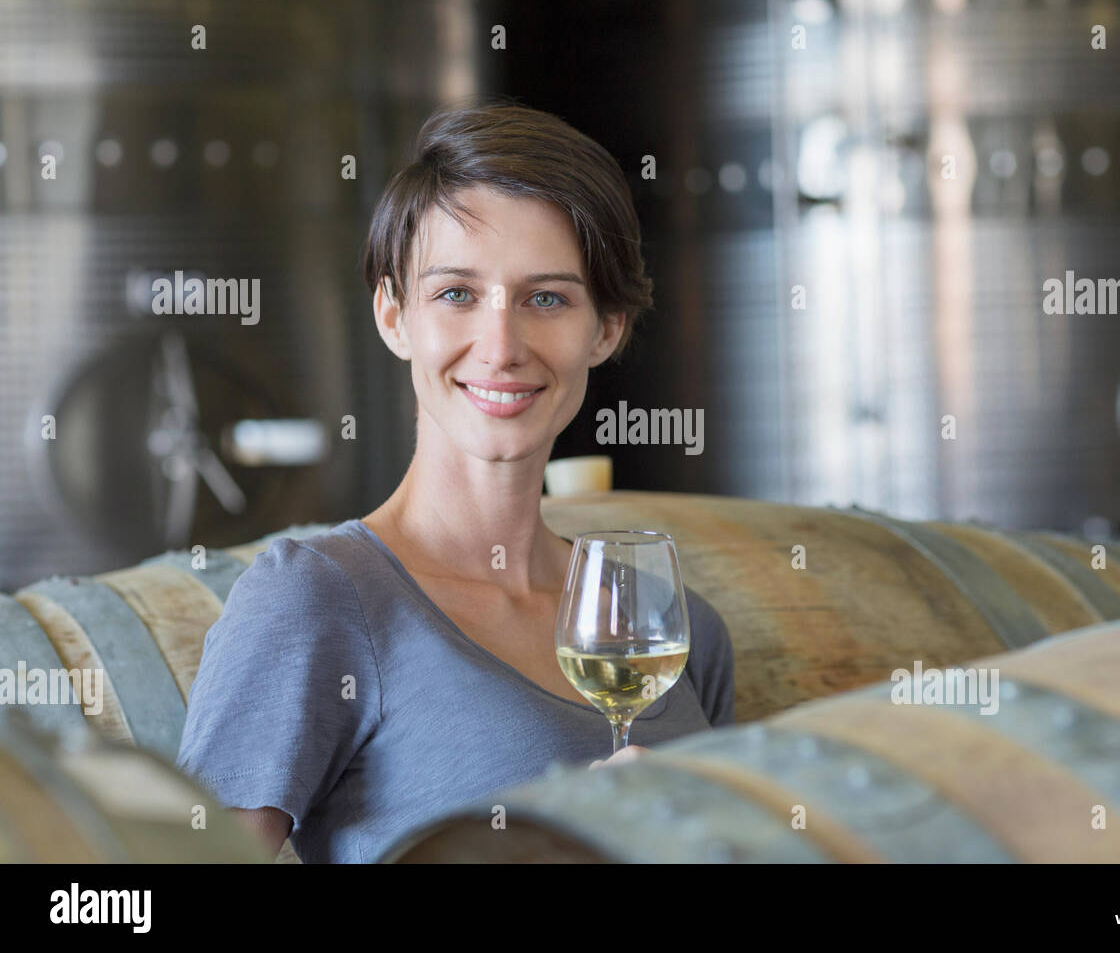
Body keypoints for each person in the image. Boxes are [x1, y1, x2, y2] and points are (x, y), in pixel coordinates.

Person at [176, 100, 735, 863]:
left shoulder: (672, 628)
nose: (500, 346)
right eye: (456, 294)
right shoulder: (315, 599)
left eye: (547, 298)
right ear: (393, 315)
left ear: (606, 328)